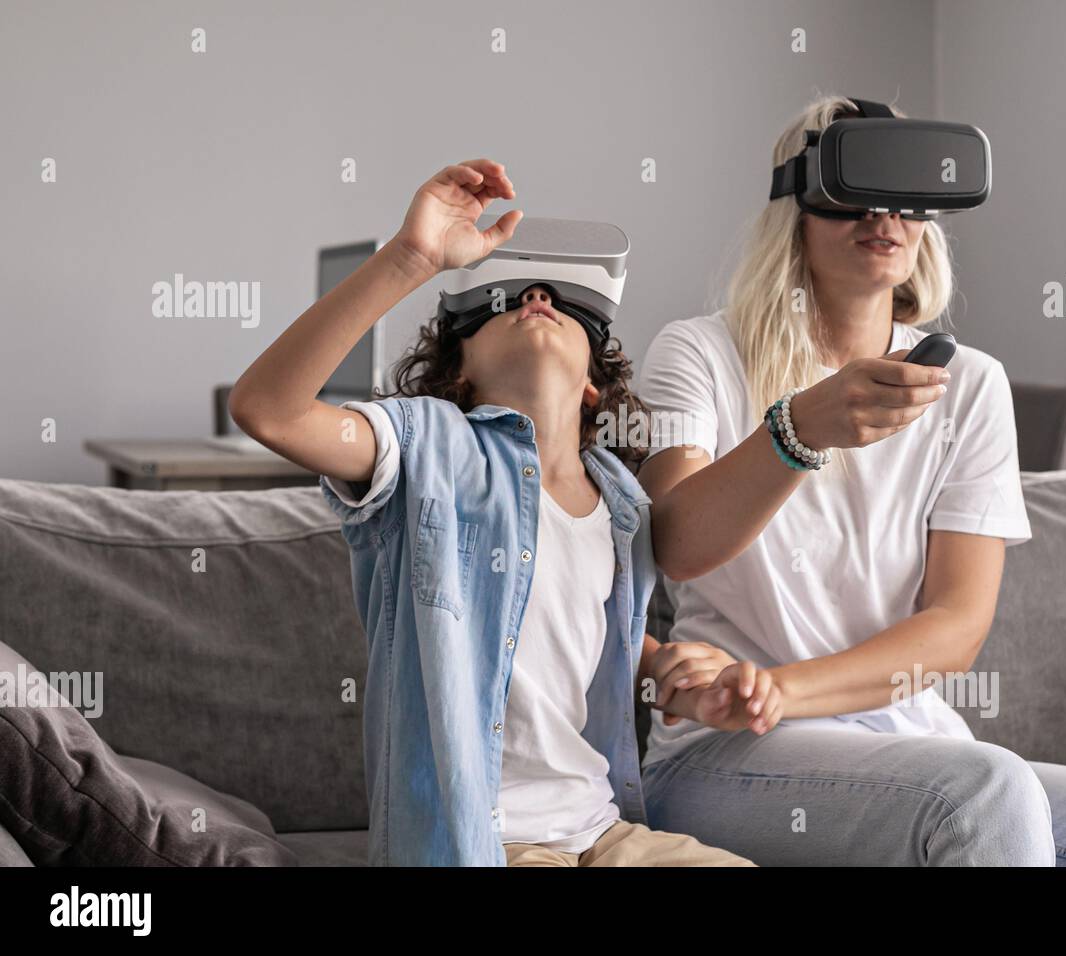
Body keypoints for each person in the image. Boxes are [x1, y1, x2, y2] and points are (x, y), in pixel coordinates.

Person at [634, 97, 1066, 867]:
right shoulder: (697, 355)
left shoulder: (968, 384)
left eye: (907, 194)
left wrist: (782, 686)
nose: (883, 216)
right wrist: (800, 430)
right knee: (983, 792)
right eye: (851, 190)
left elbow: (956, 626)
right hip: (722, 752)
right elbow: (678, 543)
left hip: (908, 744)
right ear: (794, 204)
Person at [228, 159, 778, 866]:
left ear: (591, 386)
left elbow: (575, 635)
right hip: (479, 841)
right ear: (458, 370)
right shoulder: (426, 447)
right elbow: (268, 409)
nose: (538, 297)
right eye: (504, 299)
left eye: (563, 304)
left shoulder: (622, 502)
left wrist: (673, 675)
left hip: (602, 832)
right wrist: (412, 258)